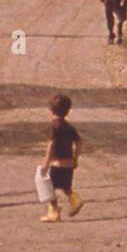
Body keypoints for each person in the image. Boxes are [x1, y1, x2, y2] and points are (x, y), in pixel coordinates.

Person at [40, 93, 84, 222]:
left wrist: (46, 164)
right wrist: (76, 158)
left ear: (51, 111)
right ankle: (75, 200)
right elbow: (80, 141)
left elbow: (51, 145)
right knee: (66, 187)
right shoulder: (69, 127)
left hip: (57, 164)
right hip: (69, 164)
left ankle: (54, 212)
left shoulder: (53, 127)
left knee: (50, 189)